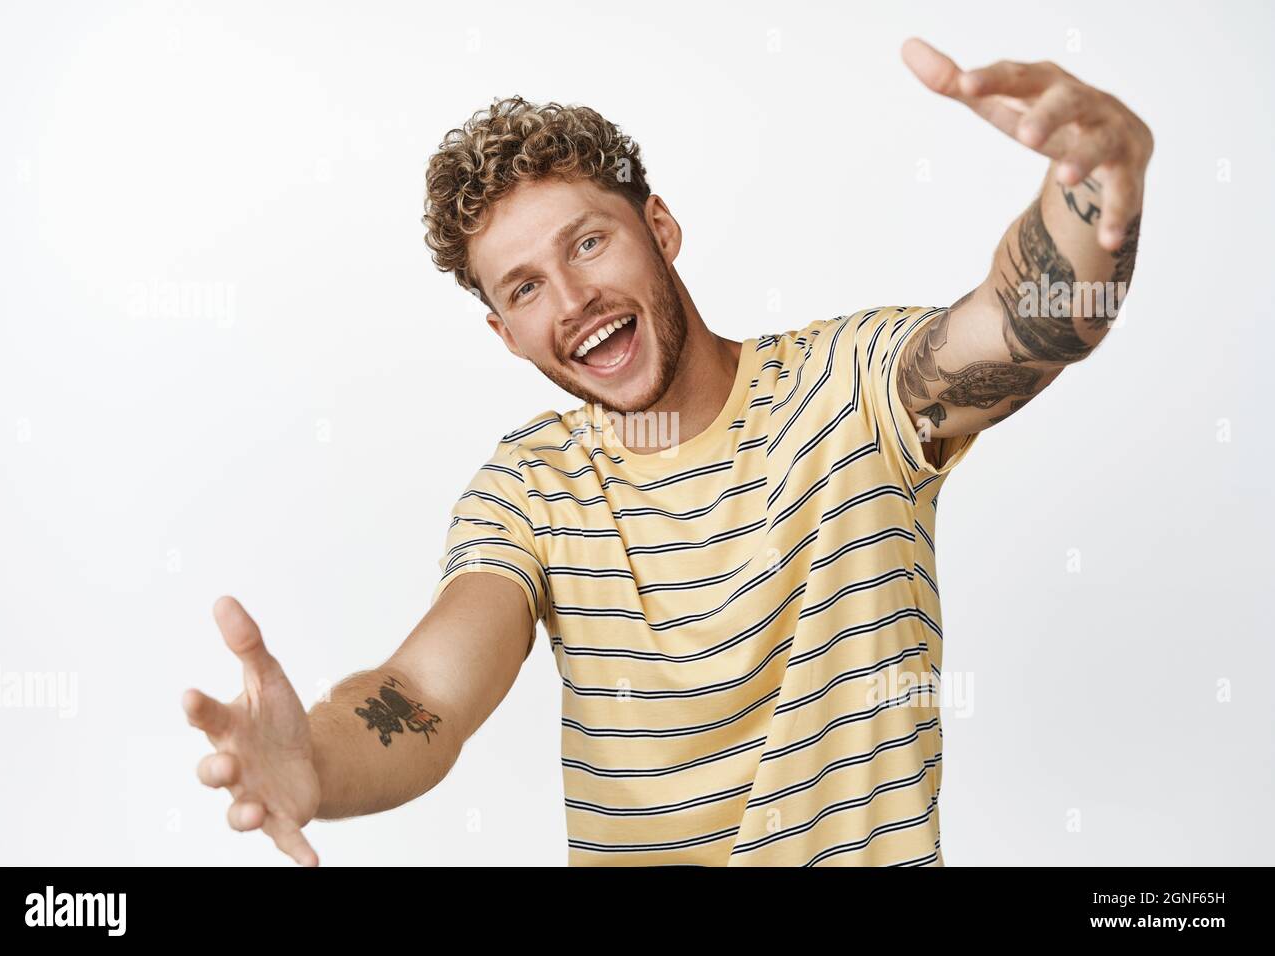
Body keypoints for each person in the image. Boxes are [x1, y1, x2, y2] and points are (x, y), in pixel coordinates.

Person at [183, 38, 1151, 866]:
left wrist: (1096, 180)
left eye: (588, 243)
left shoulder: (849, 389)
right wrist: (314, 755)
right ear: (504, 336)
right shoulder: (529, 489)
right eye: (522, 289)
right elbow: (425, 691)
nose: (571, 301)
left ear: (659, 226)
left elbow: (1031, 325)